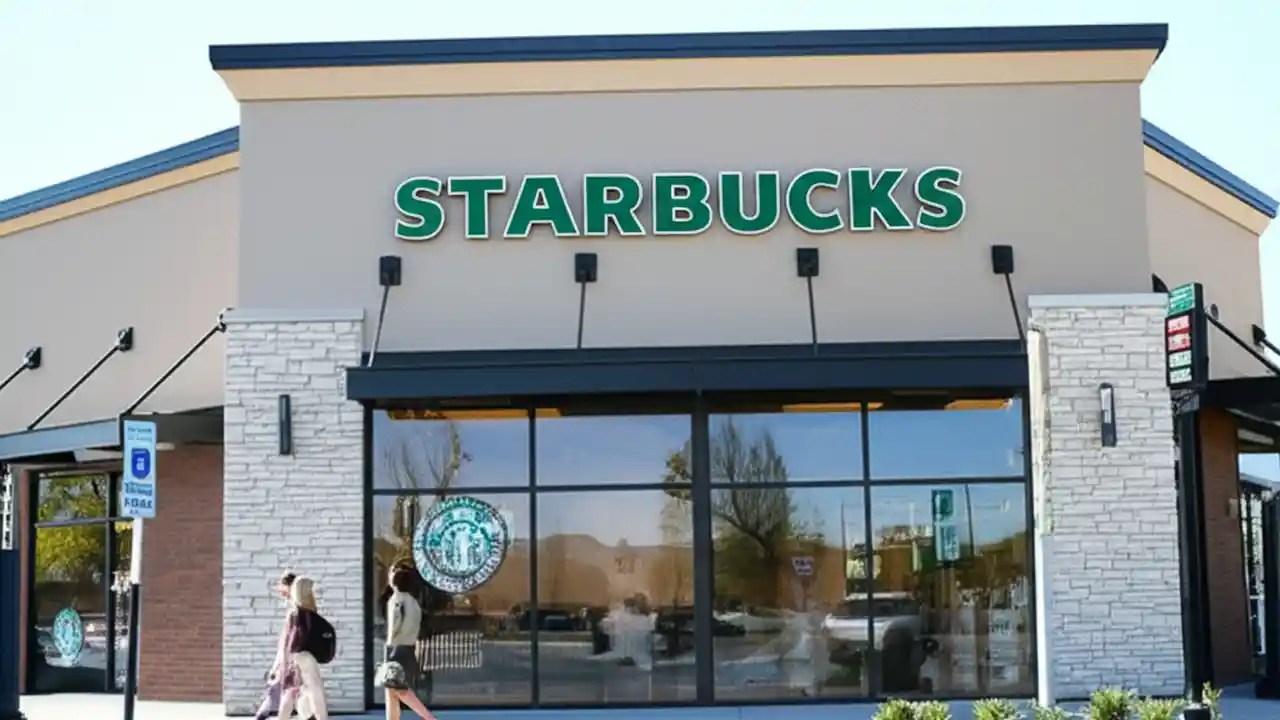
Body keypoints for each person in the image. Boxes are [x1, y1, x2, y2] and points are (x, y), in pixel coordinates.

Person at [257, 571, 314, 720]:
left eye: (283, 586)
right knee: (294, 692)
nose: (280, 590)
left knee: (290, 692)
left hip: (292, 659)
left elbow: (288, 642)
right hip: (296, 659)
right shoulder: (305, 610)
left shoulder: (295, 613)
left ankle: (266, 712)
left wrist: (281, 663)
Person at [383, 566, 437, 720]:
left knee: (399, 689)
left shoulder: (396, 600)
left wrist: (388, 646)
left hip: (396, 649)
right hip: (409, 647)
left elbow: (395, 625)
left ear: (395, 581)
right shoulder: (414, 602)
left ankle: (429, 718)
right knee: (391, 691)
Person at [277, 576, 330, 720]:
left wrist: (284, 662)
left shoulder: (296, 612)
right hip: (305, 656)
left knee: (293, 691)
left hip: (297, 655)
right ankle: (320, 717)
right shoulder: (308, 611)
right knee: (315, 688)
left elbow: (288, 642)